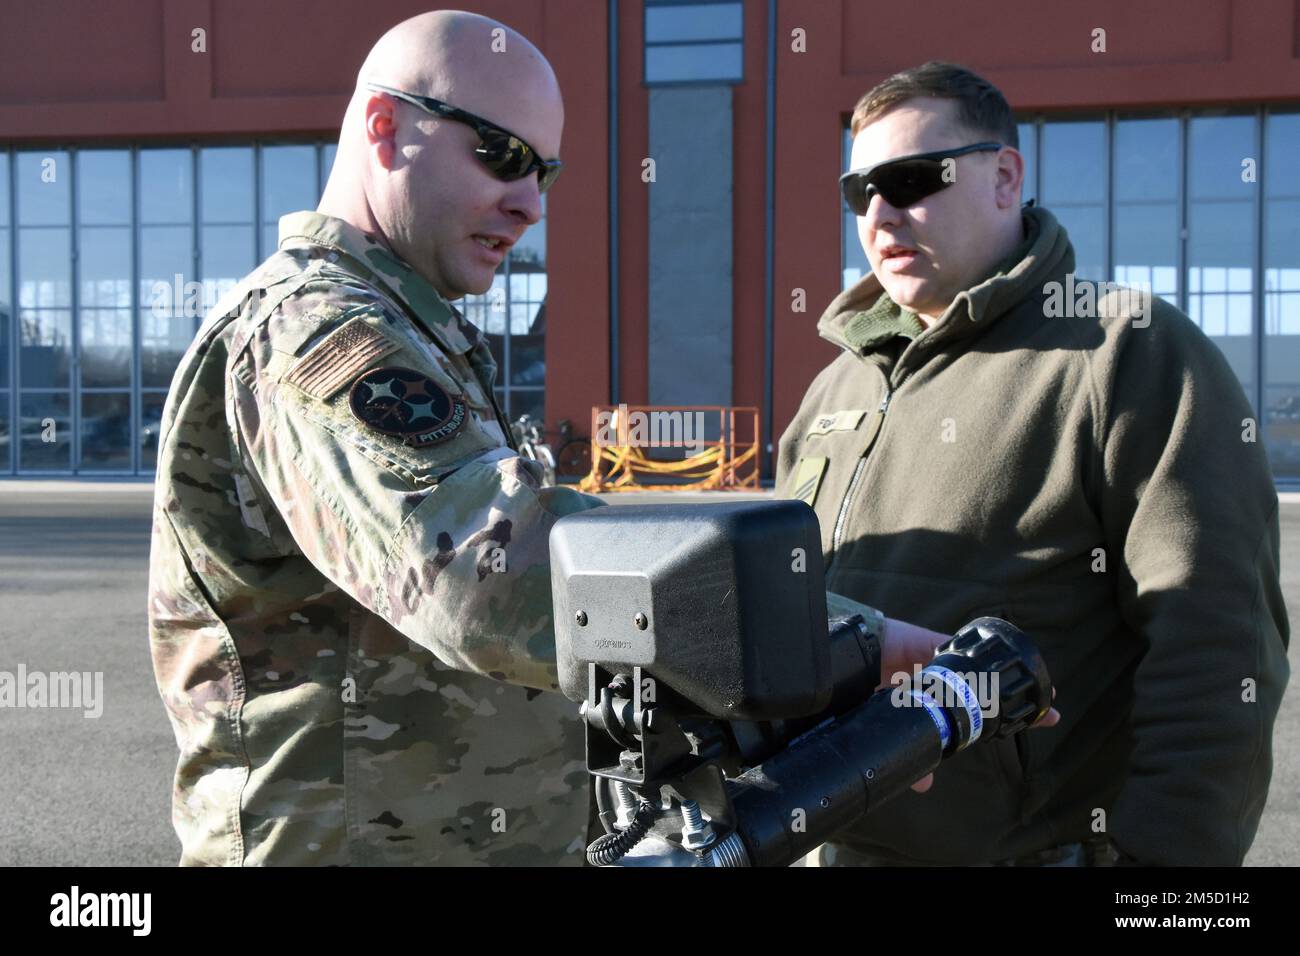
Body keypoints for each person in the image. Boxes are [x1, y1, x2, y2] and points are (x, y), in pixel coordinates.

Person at [146, 11, 966, 867]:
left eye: (545, 171)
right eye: (500, 156)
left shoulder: (417, 332)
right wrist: (843, 643)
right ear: (385, 129)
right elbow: (489, 577)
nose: (531, 203)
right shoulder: (317, 331)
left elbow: (556, 556)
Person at [778, 61, 1290, 867]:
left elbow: (1216, 651)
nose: (881, 213)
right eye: (859, 192)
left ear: (1005, 177)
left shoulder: (1123, 351)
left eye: (911, 178)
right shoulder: (836, 387)